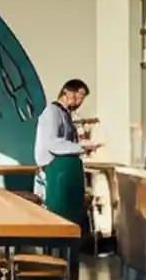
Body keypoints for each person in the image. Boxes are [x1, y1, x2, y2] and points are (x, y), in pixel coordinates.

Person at [35, 79, 101, 236]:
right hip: (56, 171)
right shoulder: (52, 112)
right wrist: (80, 148)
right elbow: (52, 143)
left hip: (68, 170)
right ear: (67, 91)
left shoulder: (65, 114)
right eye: (79, 95)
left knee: (73, 216)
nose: (80, 100)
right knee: (60, 215)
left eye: (83, 97)